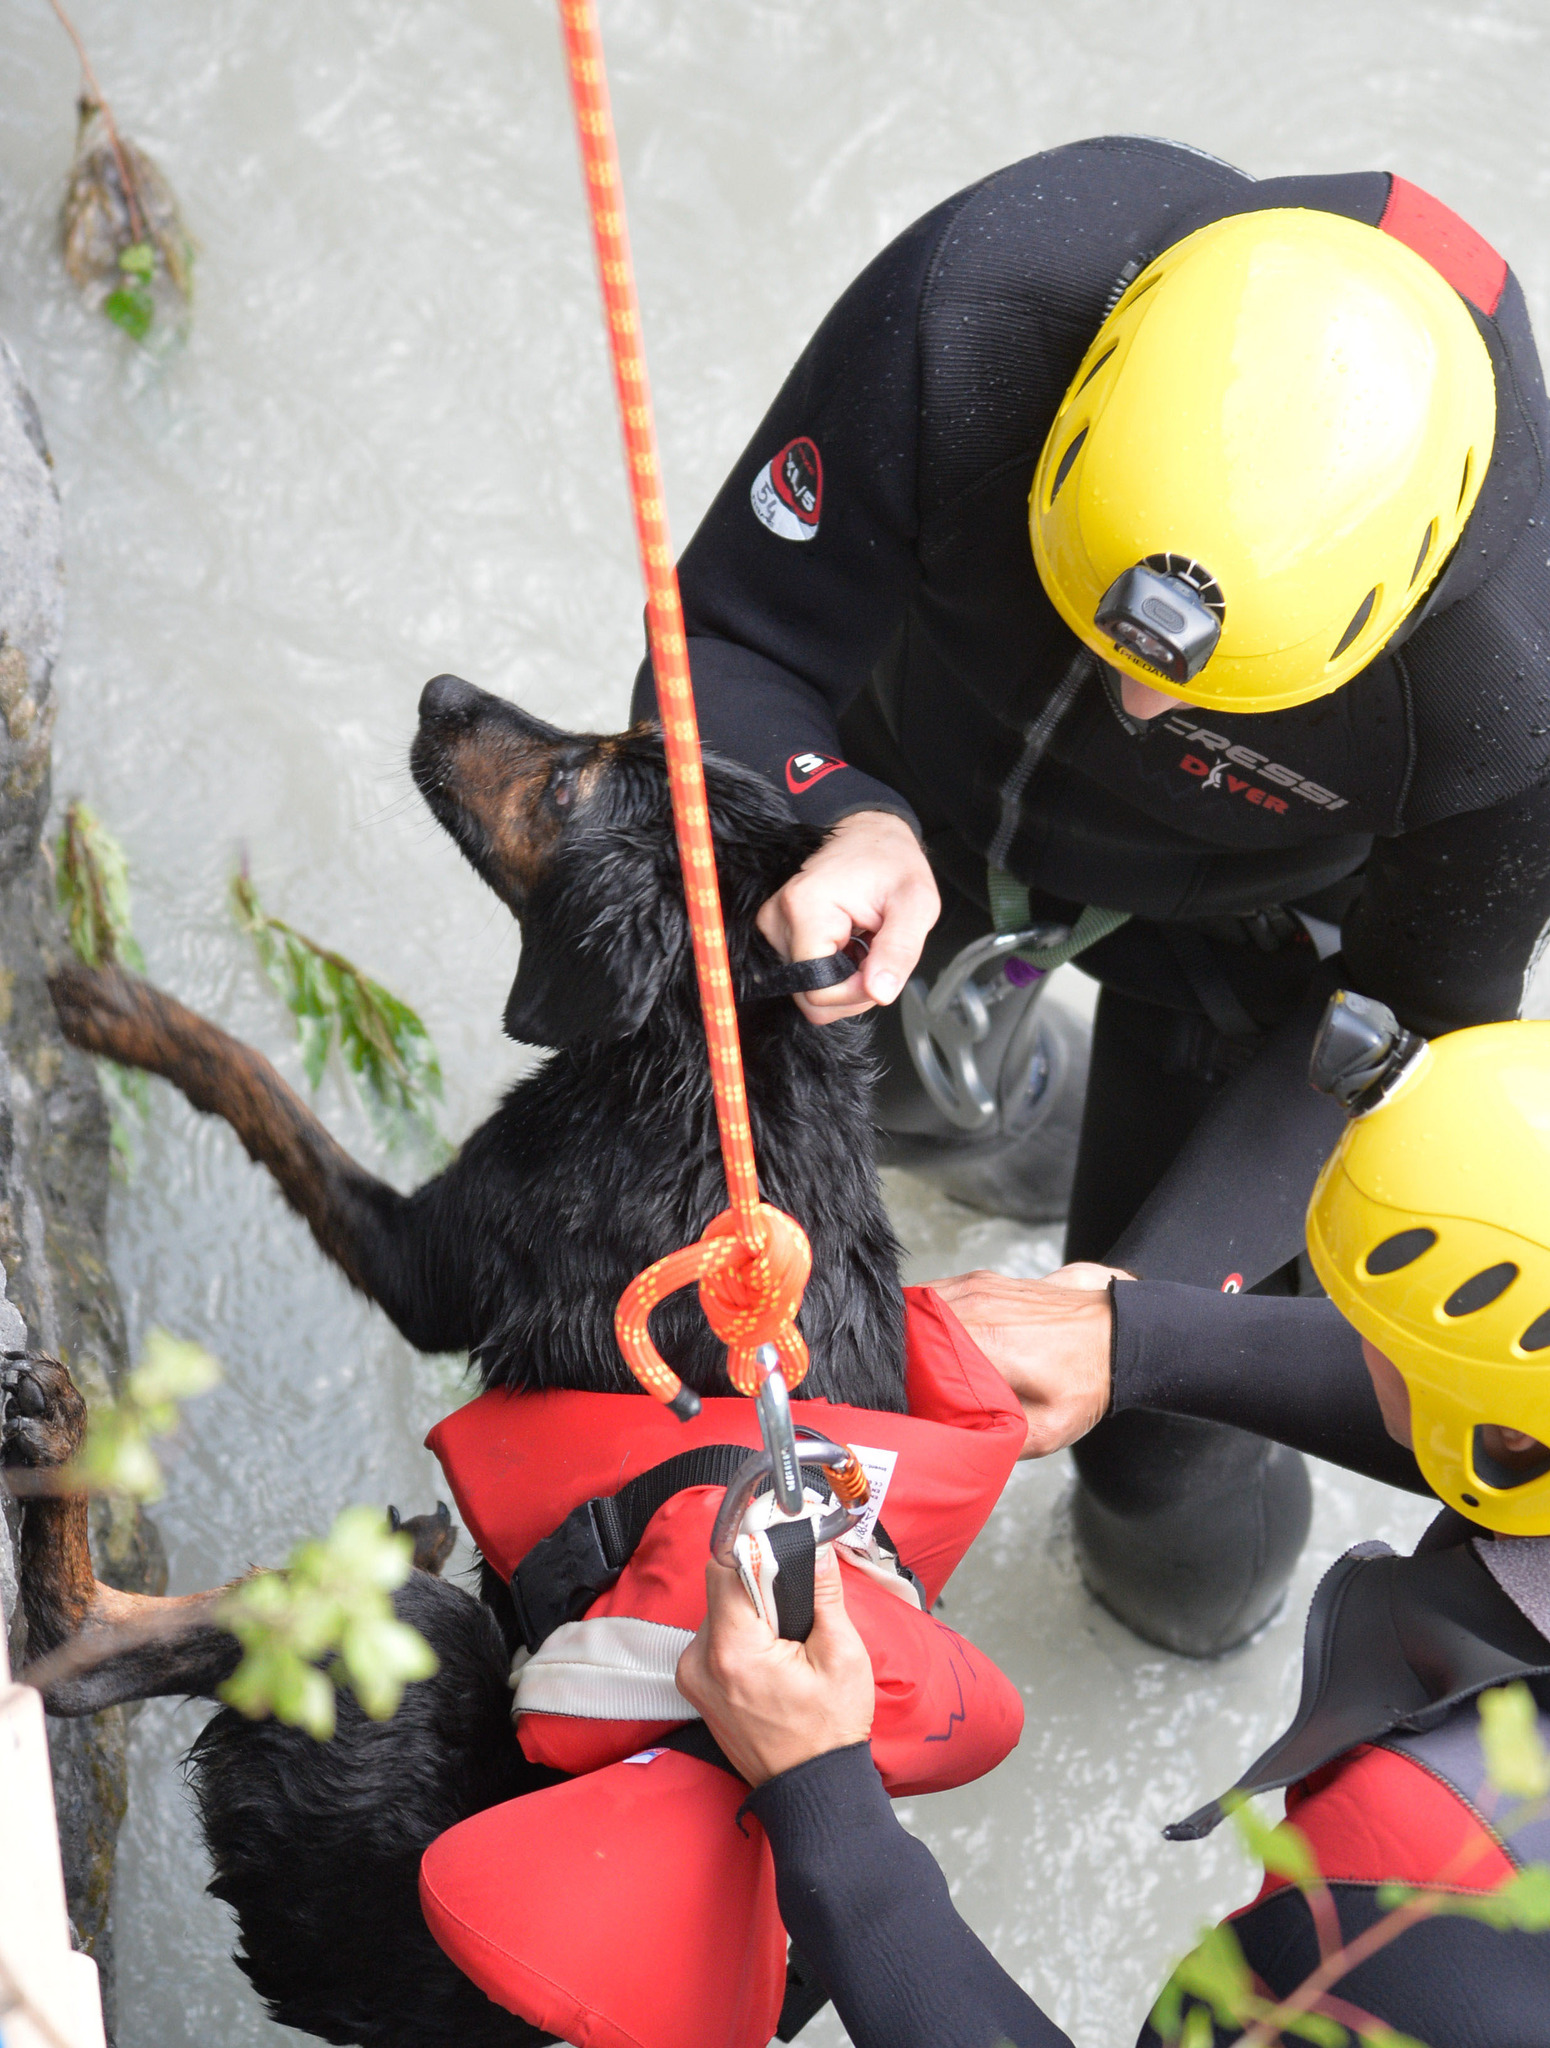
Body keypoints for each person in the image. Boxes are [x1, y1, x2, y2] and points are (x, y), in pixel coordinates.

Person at [636, 137, 1550, 1654]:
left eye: (1202, 691)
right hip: (904, 784)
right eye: (1103, 627)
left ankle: (1179, 1644)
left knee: (1155, 1443)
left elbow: (1405, 1031)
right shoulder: (988, 305)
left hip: (1251, 942)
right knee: (827, 1056)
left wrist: (1139, 1320)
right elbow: (728, 636)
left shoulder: (1511, 683)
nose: (1138, 703)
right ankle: (1012, 1123)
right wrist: (838, 814)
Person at [676, 998, 1550, 2046]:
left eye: (1374, 1333)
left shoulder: (1423, 1894)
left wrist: (825, 1812)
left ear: (1507, 1442)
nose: (1354, 1341)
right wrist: (1140, 1337)